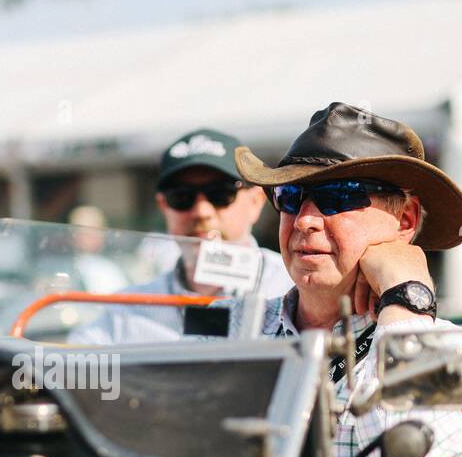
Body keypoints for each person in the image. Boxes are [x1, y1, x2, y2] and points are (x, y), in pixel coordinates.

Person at [232, 101, 462, 457]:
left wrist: (407, 295)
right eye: (291, 196)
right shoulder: (233, 327)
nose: (305, 219)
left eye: (339, 196)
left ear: (404, 221)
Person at [68, 128, 293, 345]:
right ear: (164, 206)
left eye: (221, 193)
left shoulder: (294, 287)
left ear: (255, 203)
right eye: (181, 196)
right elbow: (66, 364)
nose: (201, 211)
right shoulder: (128, 308)